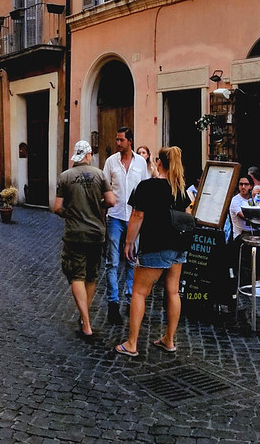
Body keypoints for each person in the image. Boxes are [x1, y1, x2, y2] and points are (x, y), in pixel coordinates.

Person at [116, 146, 190, 357]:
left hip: (156, 244)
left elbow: (137, 216)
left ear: (159, 162)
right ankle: (169, 339)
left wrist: (129, 242)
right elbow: (185, 213)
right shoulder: (180, 188)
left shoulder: (147, 187)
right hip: (178, 245)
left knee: (140, 292)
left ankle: (132, 343)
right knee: (173, 291)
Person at [54, 140, 115, 341]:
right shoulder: (99, 174)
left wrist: (68, 213)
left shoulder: (65, 177)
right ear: (89, 155)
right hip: (96, 233)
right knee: (91, 276)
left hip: (74, 234)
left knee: (76, 276)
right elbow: (111, 201)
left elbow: (56, 207)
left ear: (76, 156)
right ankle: (84, 317)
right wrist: (98, 206)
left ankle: (86, 323)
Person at [103, 127, 148, 324]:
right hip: (115, 216)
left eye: (121, 140)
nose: (118, 143)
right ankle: (113, 304)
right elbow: (105, 187)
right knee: (112, 261)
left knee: (132, 259)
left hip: (134, 218)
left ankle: (131, 299)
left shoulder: (141, 163)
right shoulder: (111, 161)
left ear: (130, 141)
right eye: (117, 140)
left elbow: (146, 188)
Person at [229, 174, 255, 241]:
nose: (243, 187)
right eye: (241, 184)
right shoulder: (235, 200)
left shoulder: (254, 198)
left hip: (256, 231)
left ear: (251, 186)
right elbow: (244, 217)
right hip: (242, 234)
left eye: (246, 184)